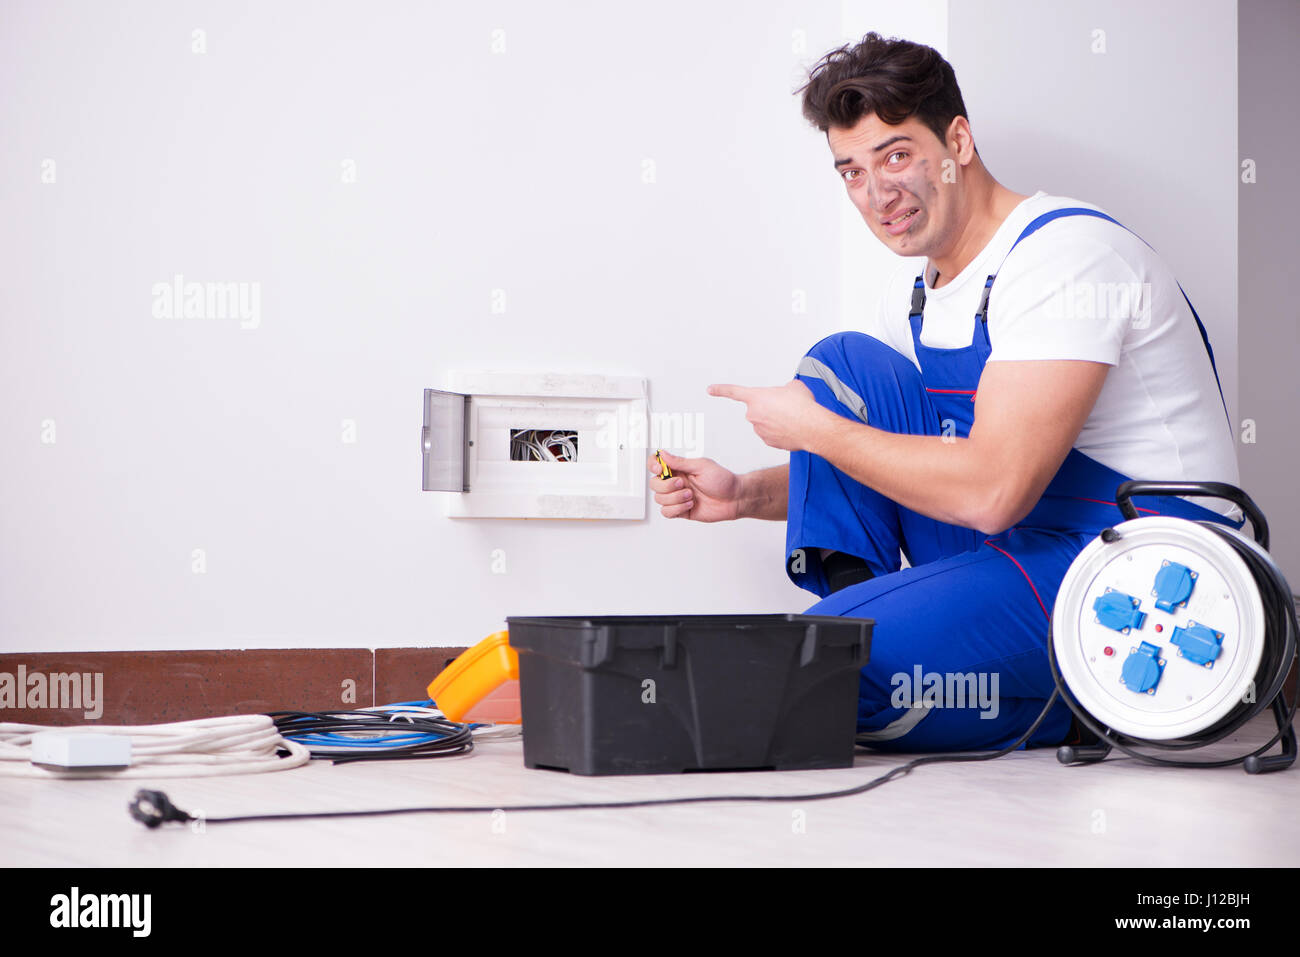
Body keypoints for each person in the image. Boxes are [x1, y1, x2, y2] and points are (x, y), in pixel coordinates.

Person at [648, 33, 1242, 752]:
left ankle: (1087, 699)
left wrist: (812, 433)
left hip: (1141, 567)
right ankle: (870, 636)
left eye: (897, 155)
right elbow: (893, 457)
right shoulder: (921, 297)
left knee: (816, 672)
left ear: (957, 141)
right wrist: (744, 494)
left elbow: (993, 491)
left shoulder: (1065, 258)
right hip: (1025, 546)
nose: (877, 193)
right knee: (847, 367)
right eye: (852, 171)